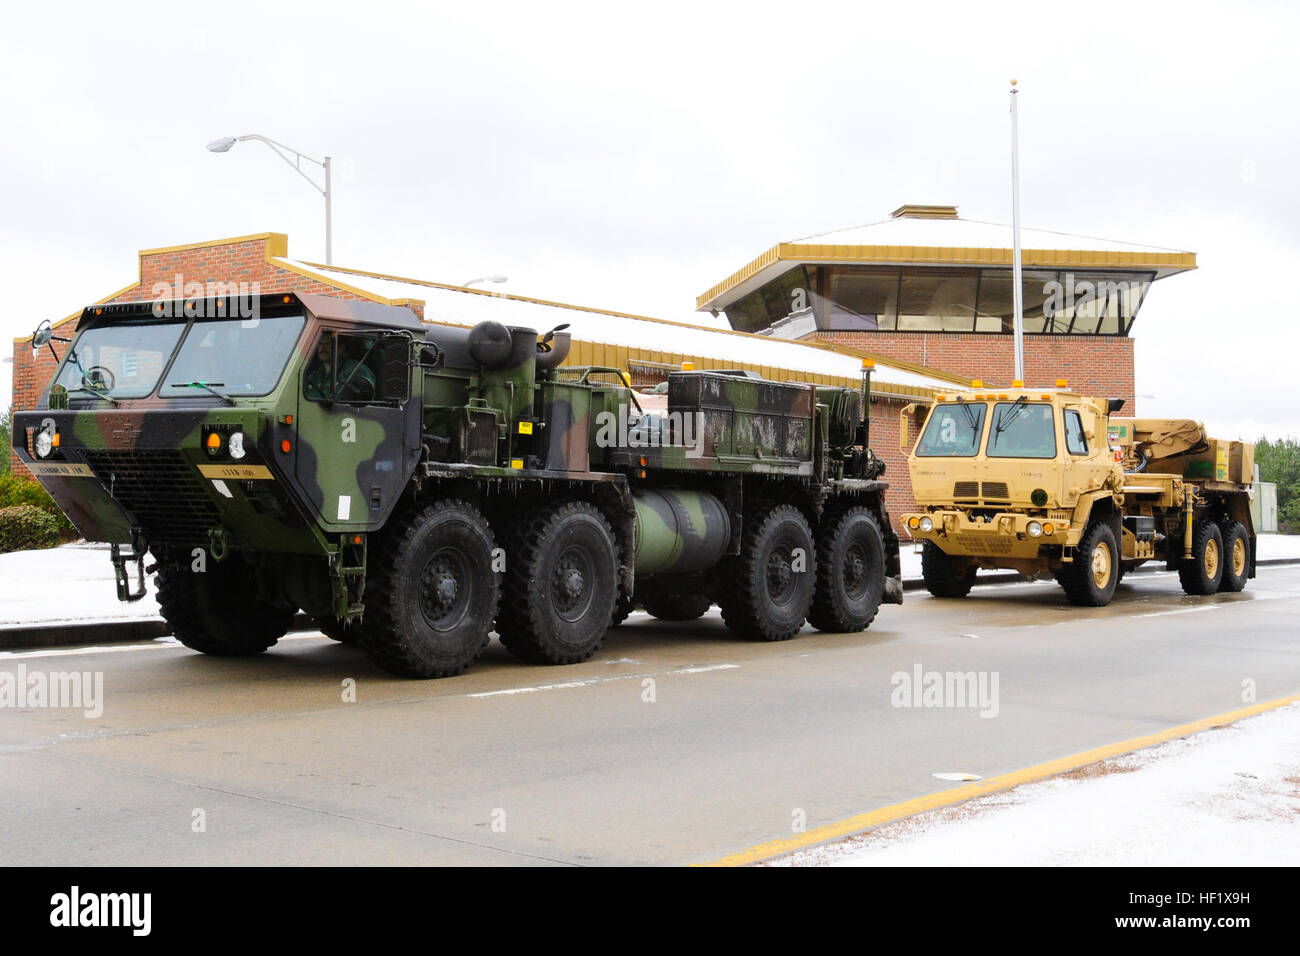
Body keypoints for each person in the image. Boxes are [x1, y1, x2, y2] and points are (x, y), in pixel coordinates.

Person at [304, 336, 376, 402]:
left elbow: (360, 403)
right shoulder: (314, 373)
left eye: (328, 343)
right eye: (320, 343)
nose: (323, 347)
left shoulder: (357, 371)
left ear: (341, 348)